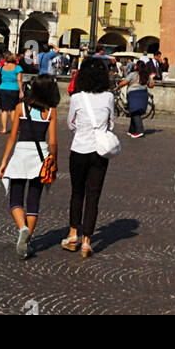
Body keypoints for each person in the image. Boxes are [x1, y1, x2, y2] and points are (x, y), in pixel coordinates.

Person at [0, 73, 60, 259]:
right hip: (40, 155)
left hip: (22, 153)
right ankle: (27, 241)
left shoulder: (20, 108)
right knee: (34, 200)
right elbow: (53, 141)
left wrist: (4, 162)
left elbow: (12, 136)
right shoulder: (51, 111)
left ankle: (22, 228)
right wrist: (53, 160)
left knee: (15, 199)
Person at [64, 58, 117, 258]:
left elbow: (70, 123)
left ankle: (72, 234)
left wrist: (82, 130)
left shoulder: (77, 98)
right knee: (93, 195)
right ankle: (87, 241)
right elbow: (111, 123)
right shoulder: (109, 97)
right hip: (99, 151)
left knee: (77, 193)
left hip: (79, 149)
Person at [118, 56, 152, 138]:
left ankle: (139, 131)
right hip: (143, 94)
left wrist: (117, 87)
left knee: (135, 112)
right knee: (134, 112)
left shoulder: (133, 74)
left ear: (137, 66)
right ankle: (131, 130)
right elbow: (151, 85)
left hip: (134, 94)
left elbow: (124, 82)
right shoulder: (146, 75)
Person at [0, 52, 24, 135]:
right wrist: (21, 91)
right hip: (13, 89)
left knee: (4, 110)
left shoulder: (1, 68)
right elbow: (19, 80)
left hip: (3, 89)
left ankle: (4, 129)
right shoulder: (18, 68)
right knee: (13, 110)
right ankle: (15, 129)